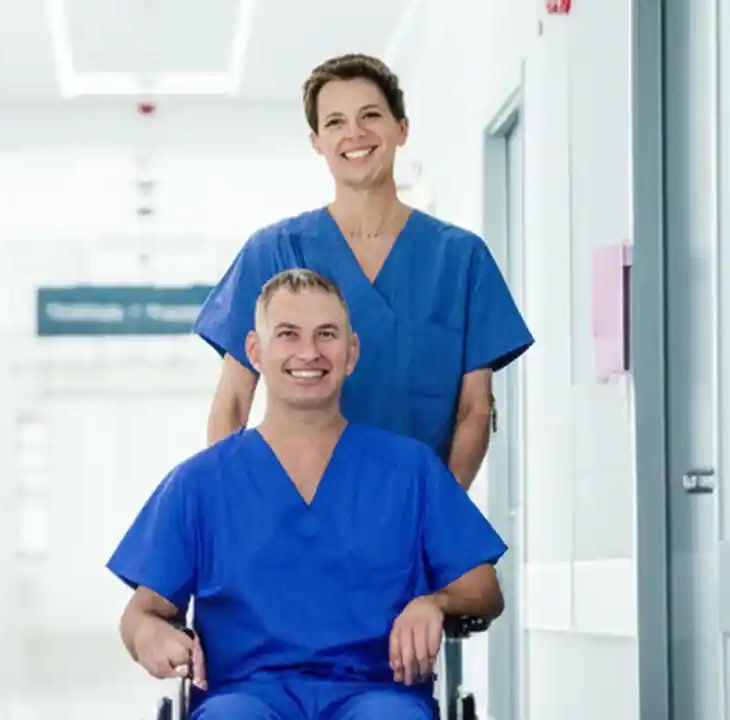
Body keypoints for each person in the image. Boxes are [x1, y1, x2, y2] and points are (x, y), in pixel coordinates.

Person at [109, 270, 506, 719]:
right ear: (255, 352)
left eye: (327, 335)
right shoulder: (199, 484)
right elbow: (140, 613)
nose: (309, 352)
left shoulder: (410, 471)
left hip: (380, 694)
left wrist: (435, 602)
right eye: (288, 334)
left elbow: (484, 590)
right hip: (244, 697)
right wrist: (149, 635)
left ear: (351, 352)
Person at [194, 53, 532, 489]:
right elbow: (233, 401)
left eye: (370, 115)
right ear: (316, 140)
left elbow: (475, 410)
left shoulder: (462, 259)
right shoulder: (272, 252)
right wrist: (230, 508)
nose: (354, 133)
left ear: (402, 128)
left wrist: (438, 520)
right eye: (334, 122)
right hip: (293, 514)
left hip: (413, 515)